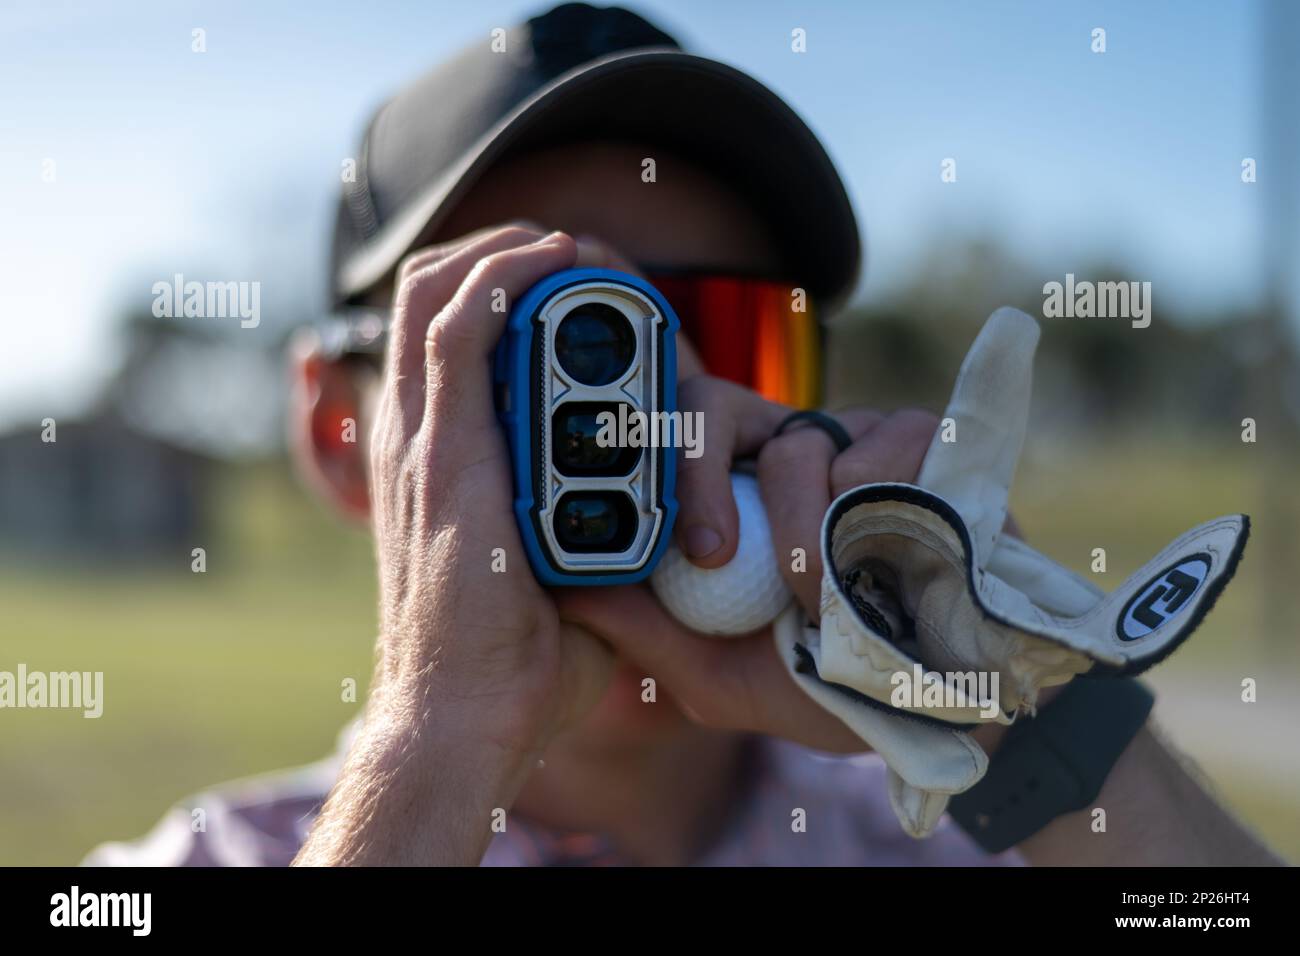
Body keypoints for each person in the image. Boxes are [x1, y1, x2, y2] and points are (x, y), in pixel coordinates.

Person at [87, 2, 1279, 867]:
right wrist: (430, 765)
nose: (661, 429)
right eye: (531, 351)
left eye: (728, 334)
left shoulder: (976, 827)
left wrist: (1022, 706)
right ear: (345, 430)